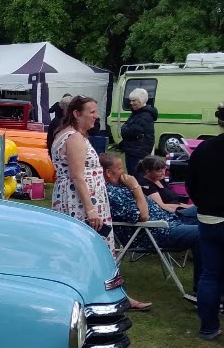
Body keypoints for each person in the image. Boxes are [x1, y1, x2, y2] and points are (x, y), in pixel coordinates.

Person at [51, 95, 151, 311]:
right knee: (94, 250)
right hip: (80, 202)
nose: (96, 116)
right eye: (92, 112)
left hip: (77, 198)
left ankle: (108, 294)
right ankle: (110, 296)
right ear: (77, 114)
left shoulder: (68, 135)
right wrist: (90, 209)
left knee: (84, 251)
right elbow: (77, 176)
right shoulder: (73, 138)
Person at [185, 97, 224, 348]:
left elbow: (191, 184)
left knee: (210, 276)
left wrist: (204, 204)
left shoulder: (203, 148)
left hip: (207, 220)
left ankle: (209, 328)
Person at [100, 149, 200, 302]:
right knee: (204, 233)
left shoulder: (120, 186)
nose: (124, 172)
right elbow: (144, 216)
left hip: (170, 221)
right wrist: (136, 188)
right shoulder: (112, 193)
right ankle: (201, 289)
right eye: (120, 168)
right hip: (155, 232)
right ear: (108, 172)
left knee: (208, 215)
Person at [120, 87, 159, 176]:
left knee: (136, 176)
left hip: (138, 151)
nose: (131, 103)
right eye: (131, 100)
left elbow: (129, 132)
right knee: (133, 174)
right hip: (133, 149)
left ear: (141, 101)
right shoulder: (137, 113)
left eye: (134, 100)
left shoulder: (145, 115)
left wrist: (124, 129)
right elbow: (127, 129)